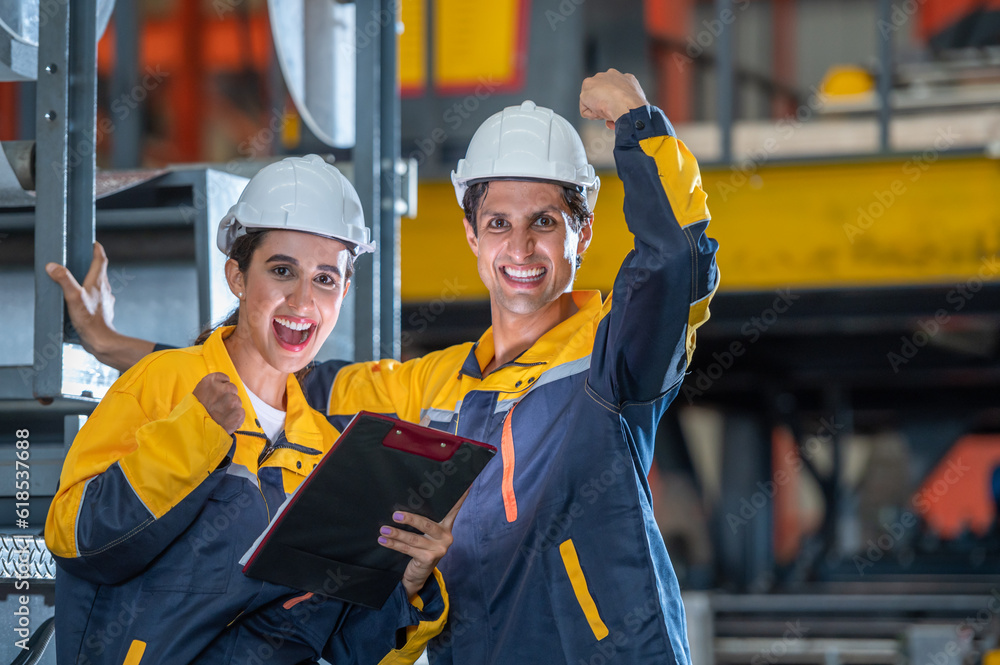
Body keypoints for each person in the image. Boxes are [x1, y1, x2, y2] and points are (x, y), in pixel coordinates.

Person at [53, 70, 719, 663]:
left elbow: (677, 265)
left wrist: (639, 124)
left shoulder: (611, 352)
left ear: (583, 231)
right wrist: (117, 346)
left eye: (544, 222)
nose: (520, 247)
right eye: (497, 223)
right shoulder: (431, 387)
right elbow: (274, 365)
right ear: (471, 234)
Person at [44, 156, 456, 665]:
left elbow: (347, 645)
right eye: (282, 270)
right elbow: (76, 539)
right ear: (237, 276)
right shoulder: (166, 381)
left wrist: (408, 585)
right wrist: (193, 435)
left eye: (326, 279)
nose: (303, 300)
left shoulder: (326, 450)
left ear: (344, 292)